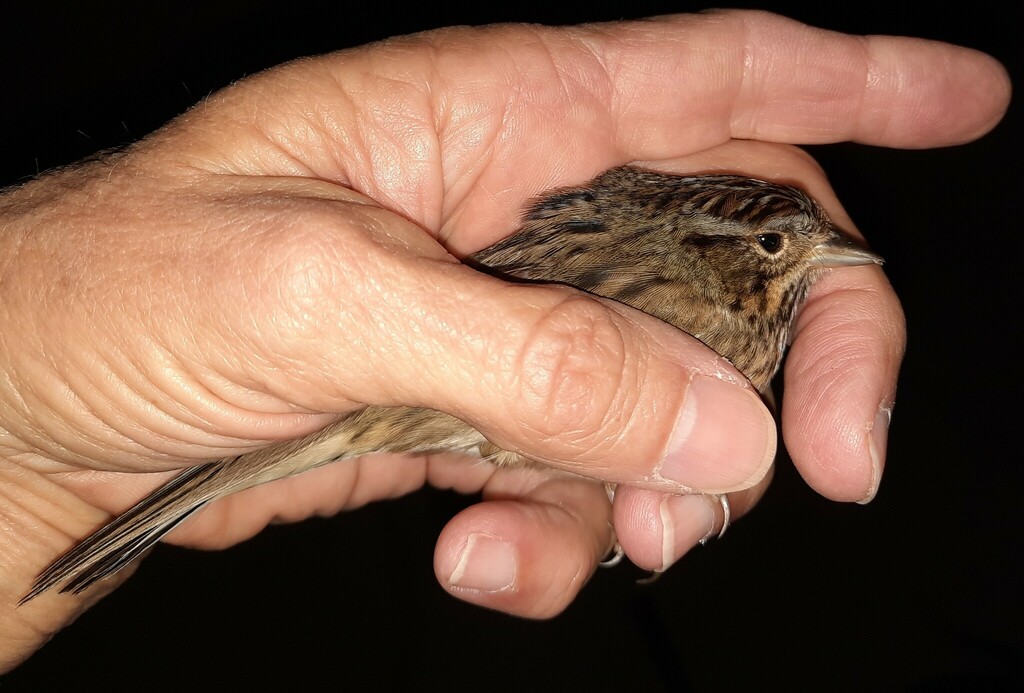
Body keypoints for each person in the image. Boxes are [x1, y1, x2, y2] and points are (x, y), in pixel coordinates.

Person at [0, 10, 1008, 671]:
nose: (821, 252)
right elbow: (546, 353)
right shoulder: (706, 312)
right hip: (407, 384)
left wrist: (31, 488)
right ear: (722, 253)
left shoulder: (690, 266)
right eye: (782, 244)